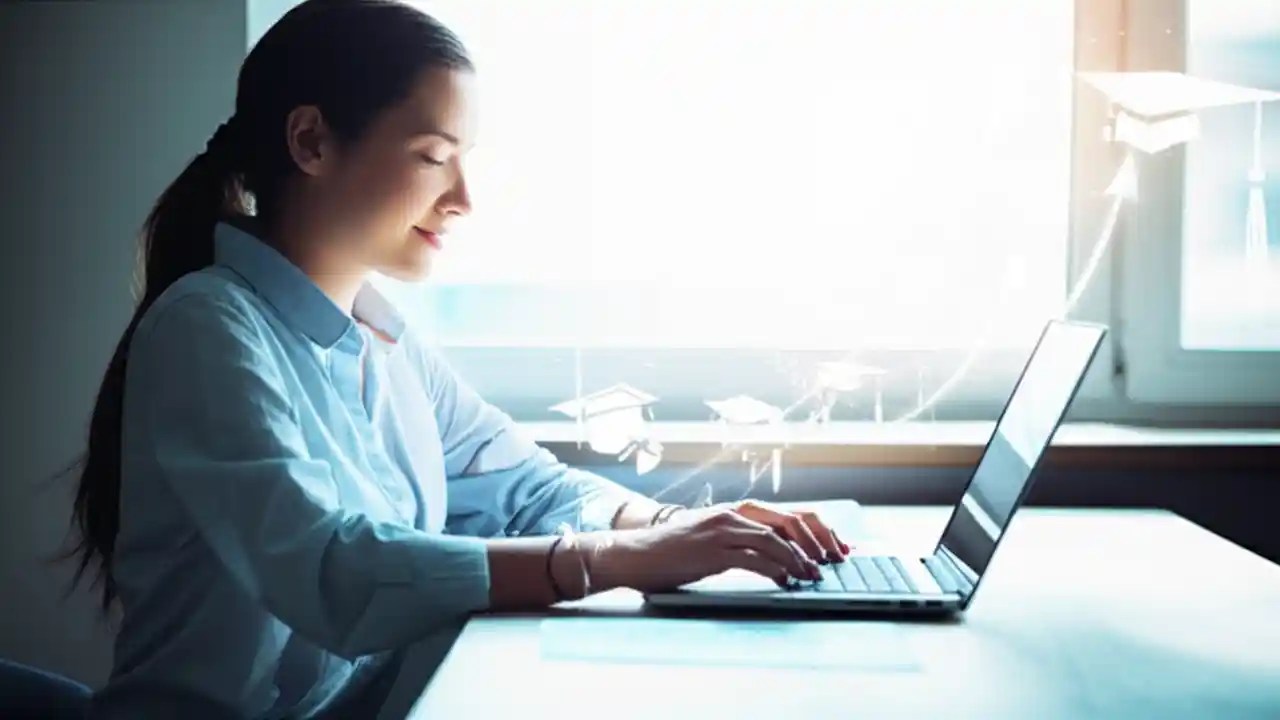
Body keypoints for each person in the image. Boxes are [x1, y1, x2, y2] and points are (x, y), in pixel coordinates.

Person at [67, 1, 850, 717]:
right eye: (434, 155)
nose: (465, 196)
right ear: (311, 141)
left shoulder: (383, 335)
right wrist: (617, 559)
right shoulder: (208, 327)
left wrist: (685, 528)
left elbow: (527, 486)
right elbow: (333, 572)